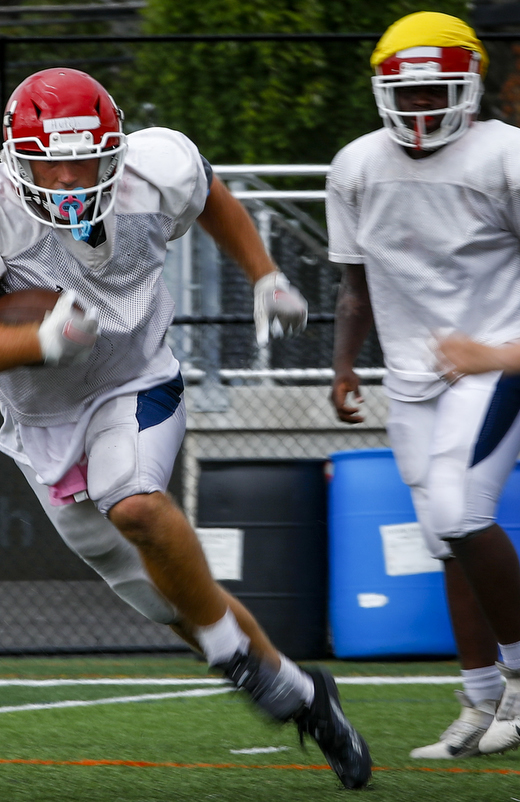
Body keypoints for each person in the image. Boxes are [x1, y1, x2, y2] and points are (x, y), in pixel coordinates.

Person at [0, 67, 371, 789]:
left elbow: (211, 194)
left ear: (115, 147)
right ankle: (308, 698)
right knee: (171, 600)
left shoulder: (153, 172)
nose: (67, 175)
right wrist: (43, 340)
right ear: (14, 157)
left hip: (137, 378)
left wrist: (264, 276)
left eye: (84, 156)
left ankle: (231, 656)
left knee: (134, 501)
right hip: (43, 425)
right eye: (48, 160)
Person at [329, 11, 520, 759]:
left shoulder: (505, 154)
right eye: (407, 96)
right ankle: (478, 704)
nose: (420, 108)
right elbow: (355, 286)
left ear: (468, 87)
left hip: (493, 361)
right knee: (447, 537)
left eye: (436, 92)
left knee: (458, 509)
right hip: (410, 375)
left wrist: (500, 353)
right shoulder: (354, 165)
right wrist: (345, 365)